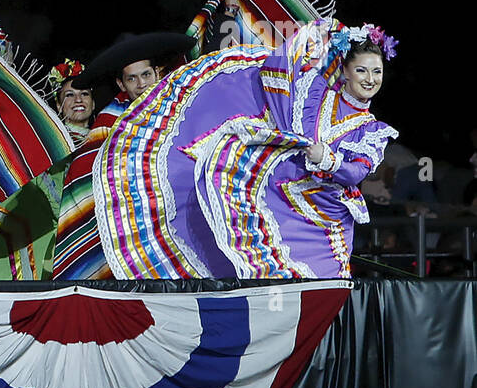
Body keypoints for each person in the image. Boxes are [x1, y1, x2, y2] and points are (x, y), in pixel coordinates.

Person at [94, 20, 399, 278]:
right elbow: (282, 65)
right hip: (278, 189)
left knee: (318, 287)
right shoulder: (316, 90)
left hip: (324, 219)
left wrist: (328, 160)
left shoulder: (373, 129)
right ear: (345, 71)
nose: (370, 79)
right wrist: (323, 30)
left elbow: (356, 172)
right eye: (362, 71)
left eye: (377, 72)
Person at [52, 32, 195, 279]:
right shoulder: (110, 124)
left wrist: (228, 13)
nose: (141, 85)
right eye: (132, 79)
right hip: (133, 230)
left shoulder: (181, 107)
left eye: (146, 75)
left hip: (183, 219)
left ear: (157, 74)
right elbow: (85, 188)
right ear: (121, 84)